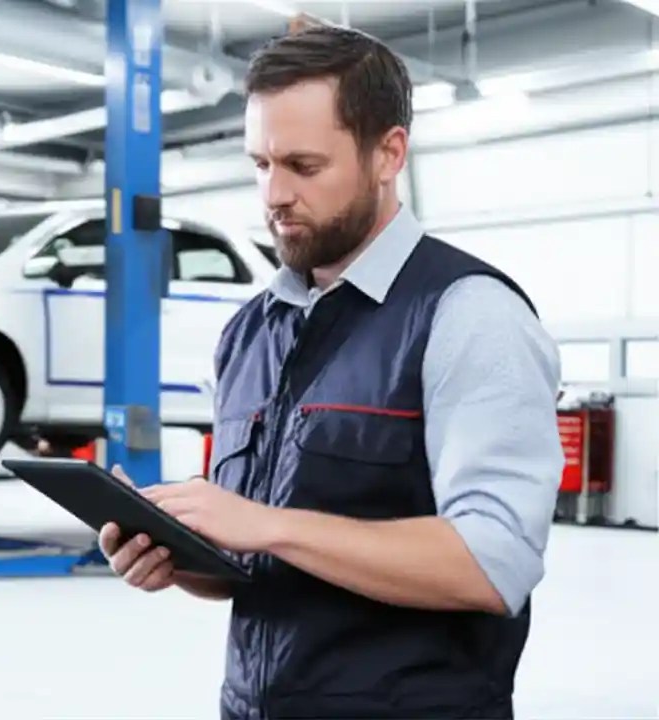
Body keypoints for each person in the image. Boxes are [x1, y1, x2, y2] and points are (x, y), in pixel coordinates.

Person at [99, 25, 564, 720]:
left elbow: (493, 563)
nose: (274, 194)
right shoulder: (249, 332)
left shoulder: (469, 316)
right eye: (260, 164)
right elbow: (254, 558)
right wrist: (182, 559)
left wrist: (266, 524)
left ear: (389, 153)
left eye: (303, 166)